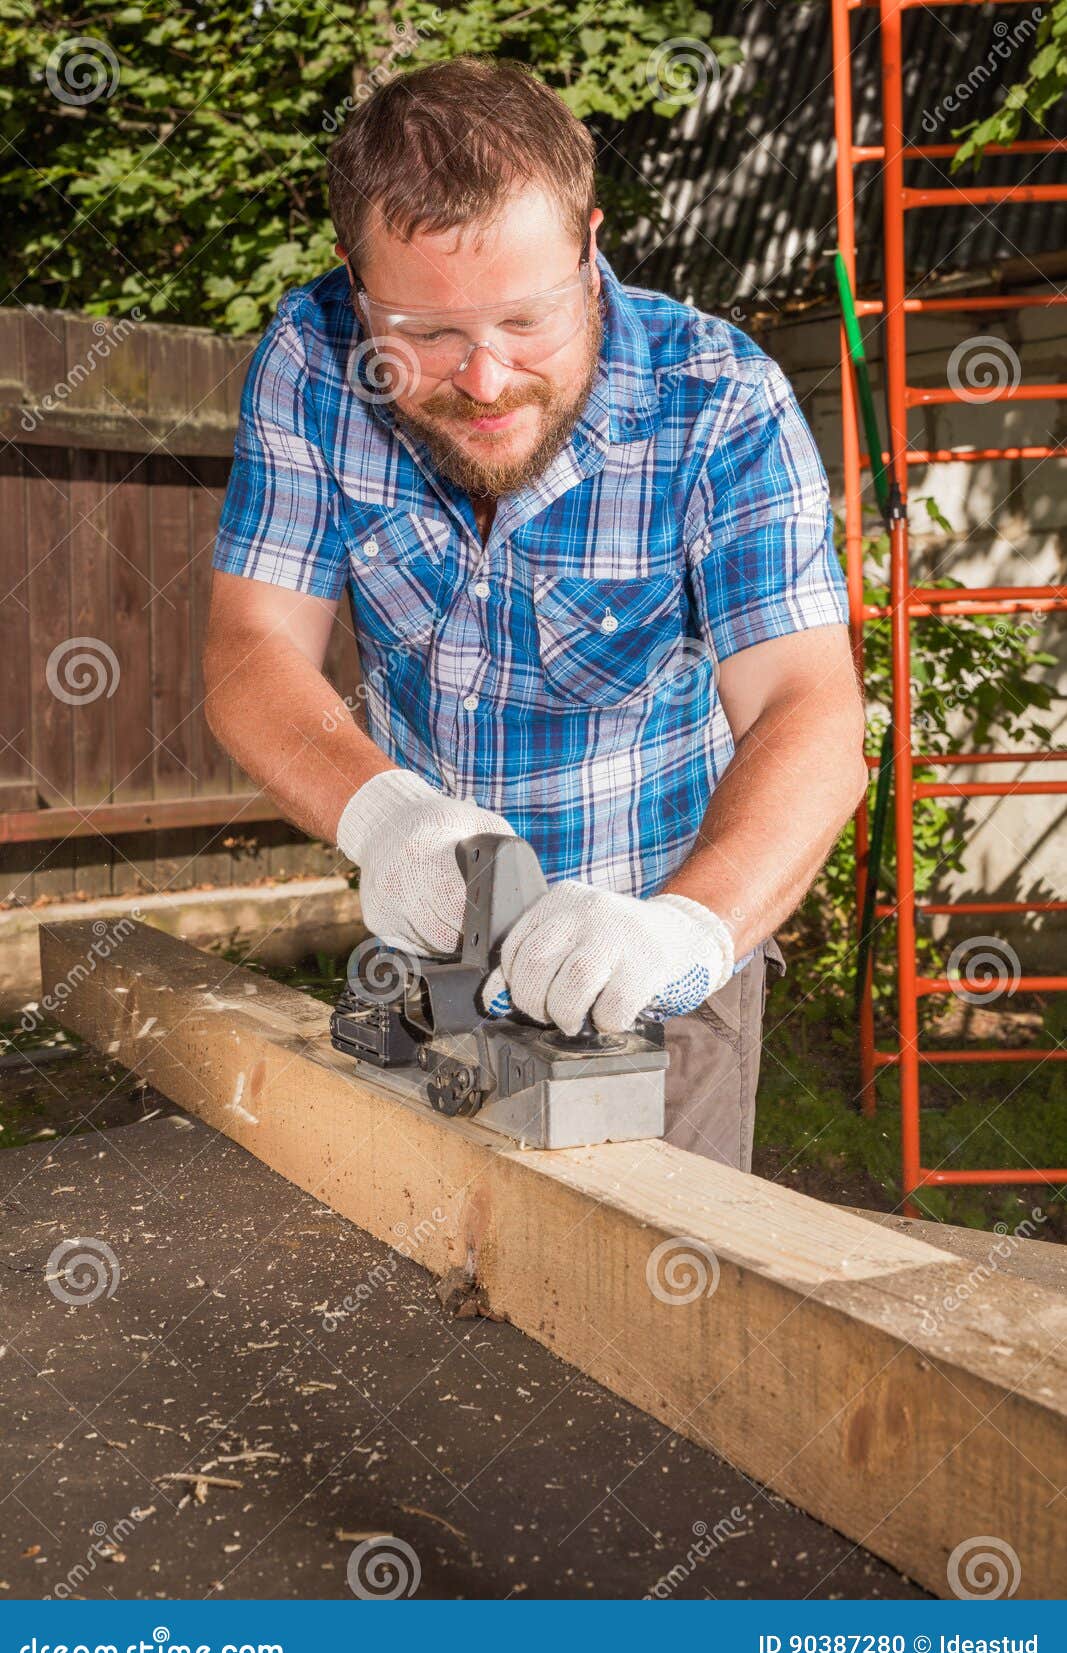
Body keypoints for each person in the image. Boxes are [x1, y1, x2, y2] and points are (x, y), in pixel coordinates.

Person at [204, 56, 867, 1170]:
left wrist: (685, 928)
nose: (484, 379)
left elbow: (808, 710)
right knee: (419, 1254)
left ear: (590, 253)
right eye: (427, 332)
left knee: (665, 1273)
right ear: (355, 286)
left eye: (526, 319)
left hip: (660, 947)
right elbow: (250, 649)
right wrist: (387, 821)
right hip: (428, 951)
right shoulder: (312, 362)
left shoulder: (720, 400)